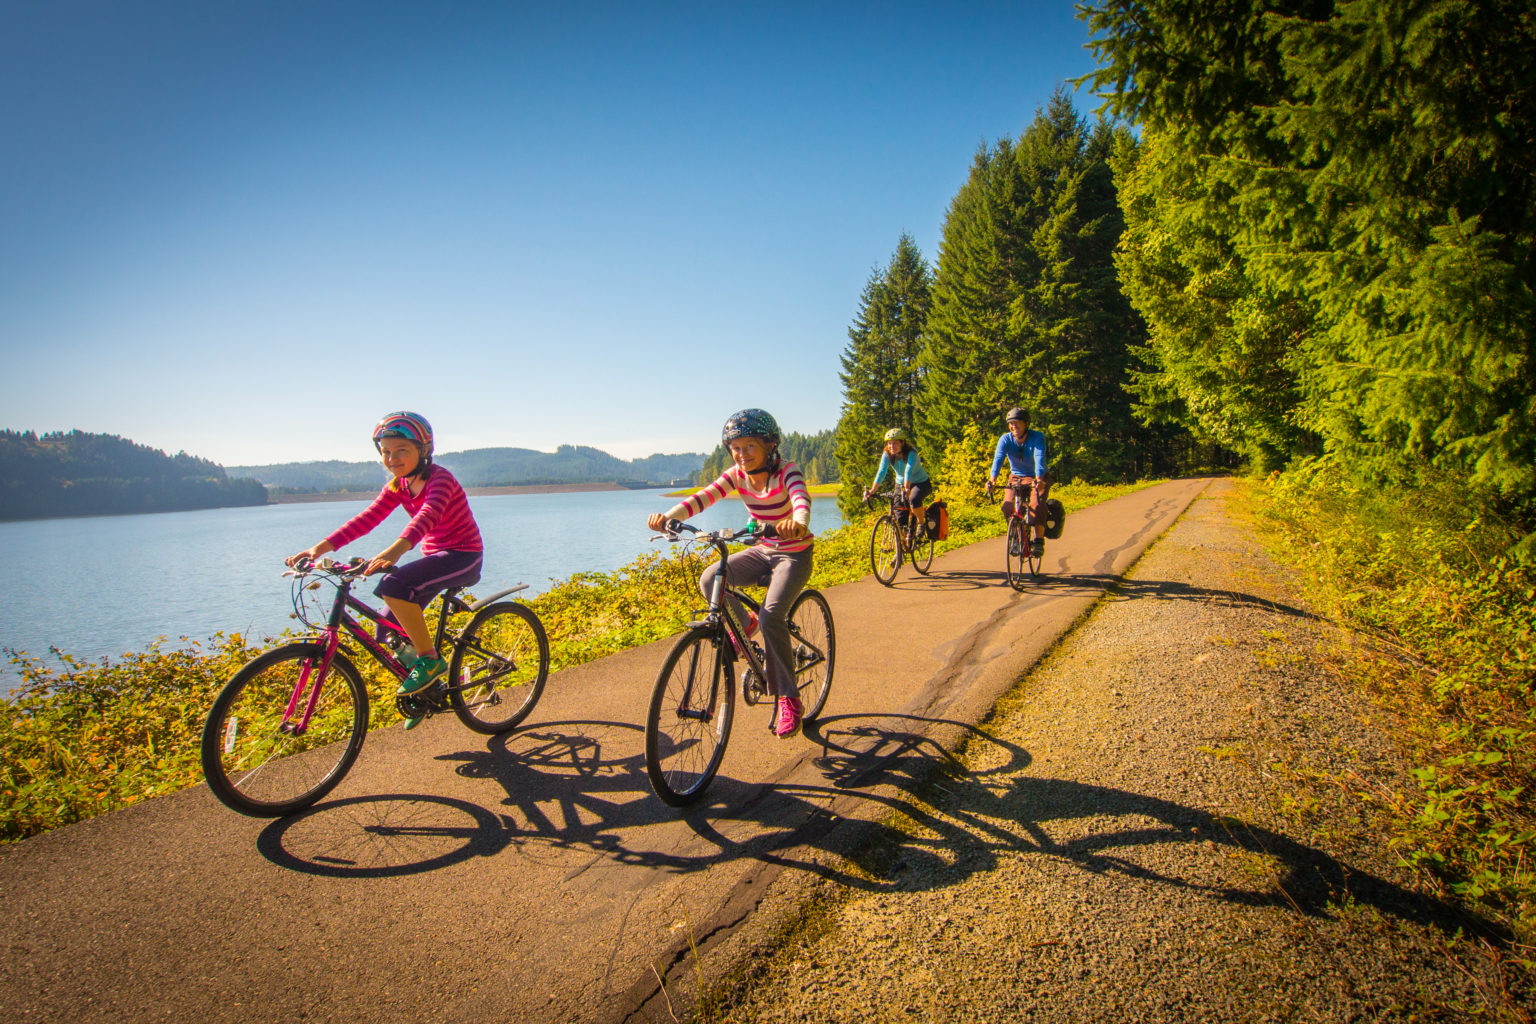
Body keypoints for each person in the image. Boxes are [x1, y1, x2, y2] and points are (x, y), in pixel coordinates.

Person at [287, 411, 484, 729]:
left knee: (393, 584)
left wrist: (393, 552)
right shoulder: (398, 486)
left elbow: (427, 517)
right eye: (386, 452)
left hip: (463, 556)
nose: (392, 458)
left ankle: (430, 661)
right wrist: (318, 549)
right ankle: (425, 692)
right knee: (386, 632)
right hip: (435, 556)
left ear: (424, 450)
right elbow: (366, 519)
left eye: (401, 451)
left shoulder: (440, 479)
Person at [647, 409, 813, 739]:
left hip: (793, 554)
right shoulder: (736, 475)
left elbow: (801, 500)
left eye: (750, 446)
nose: (742, 454)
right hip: (762, 550)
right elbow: (702, 498)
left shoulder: (786, 472)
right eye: (735, 448)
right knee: (711, 579)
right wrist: (668, 517)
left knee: (772, 617)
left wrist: (798, 523)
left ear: (769, 445)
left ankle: (788, 698)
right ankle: (745, 625)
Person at [984, 406, 1051, 558]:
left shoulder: (1037, 437)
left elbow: (1039, 458)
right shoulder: (1005, 439)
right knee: (1007, 506)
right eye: (1011, 423)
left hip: (1036, 476)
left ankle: (1039, 540)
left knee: (1037, 504)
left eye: (1017, 422)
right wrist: (992, 480)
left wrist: (1039, 479)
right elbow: (998, 460)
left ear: (1026, 423)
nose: (1013, 426)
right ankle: (1016, 536)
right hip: (1016, 477)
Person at [862, 427, 932, 545]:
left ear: (902, 443)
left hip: (920, 483)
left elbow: (908, 471)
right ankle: (901, 551)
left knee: (914, 499)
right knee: (900, 519)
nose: (891, 446)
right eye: (889, 443)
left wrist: (906, 488)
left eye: (895, 443)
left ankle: (921, 523)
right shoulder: (887, 454)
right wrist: (873, 490)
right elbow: (881, 472)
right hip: (901, 484)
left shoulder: (912, 453)